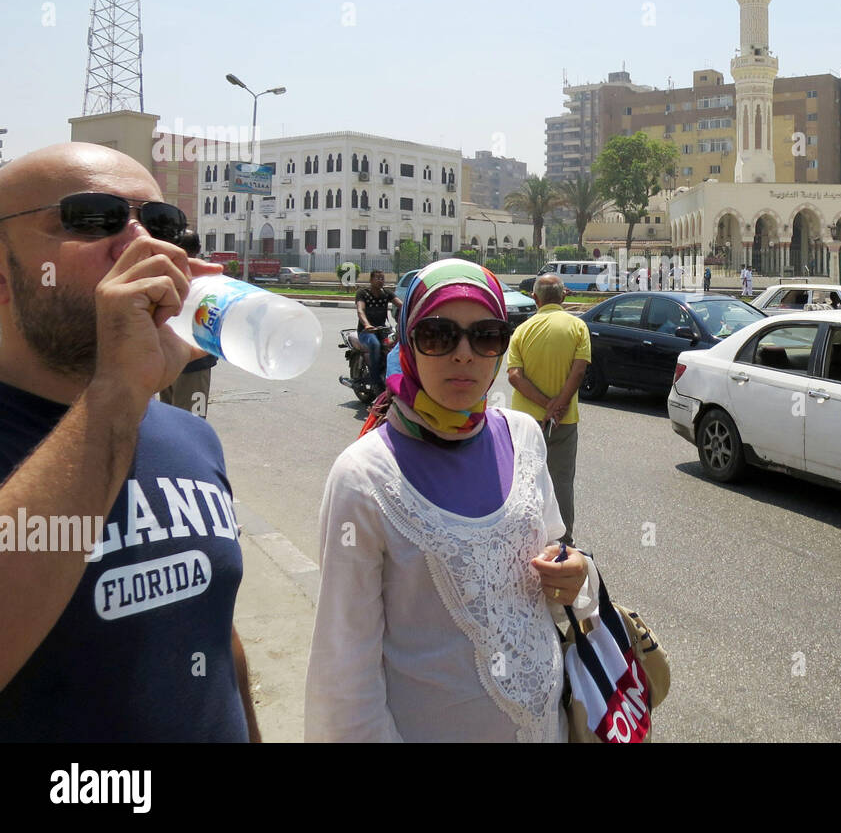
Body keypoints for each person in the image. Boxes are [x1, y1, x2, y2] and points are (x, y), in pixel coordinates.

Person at [0, 142, 259, 741]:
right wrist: (115, 394)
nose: (145, 246)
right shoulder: (122, 404)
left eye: (164, 225)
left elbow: (216, 638)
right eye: (92, 218)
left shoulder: (190, 438)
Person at [305, 259, 594, 741]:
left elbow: (558, 554)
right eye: (439, 335)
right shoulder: (363, 478)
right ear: (408, 342)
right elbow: (345, 675)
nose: (465, 355)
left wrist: (576, 572)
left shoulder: (523, 437)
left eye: (486, 336)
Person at [507, 273, 591, 545]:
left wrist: (545, 405)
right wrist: (558, 406)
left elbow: (514, 376)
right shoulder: (577, 327)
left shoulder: (522, 330)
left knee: (526, 479)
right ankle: (563, 541)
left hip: (526, 422)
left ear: (535, 298)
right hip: (564, 421)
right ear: (564, 295)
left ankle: (527, 538)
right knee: (561, 481)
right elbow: (578, 371)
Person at [158, 229, 218, 417]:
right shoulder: (212, 281)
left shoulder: (164, 278)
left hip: (172, 361)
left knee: (177, 420)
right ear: (199, 249)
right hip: (193, 364)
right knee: (191, 421)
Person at [355, 269, 399, 383]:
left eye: (382, 278)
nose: (380, 280)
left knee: (396, 344)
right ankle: (375, 380)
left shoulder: (387, 293)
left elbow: (402, 305)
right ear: (371, 280)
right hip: (366, 332)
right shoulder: (363, 293)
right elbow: (360, 310)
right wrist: (367, 325)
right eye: (377, 278)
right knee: (375, 344)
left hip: (382, 330)